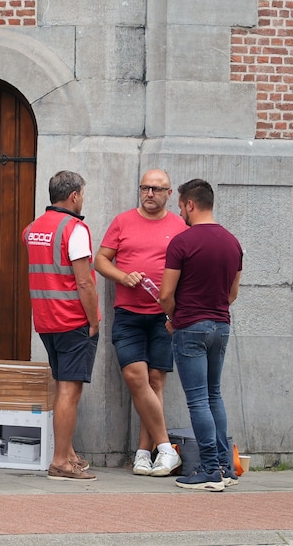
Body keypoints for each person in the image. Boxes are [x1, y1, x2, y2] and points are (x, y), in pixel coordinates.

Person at [94, 169, 186, 476]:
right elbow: (101, 260)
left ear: (169, 195)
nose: (150, 194)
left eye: (157, 189)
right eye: (145, 188)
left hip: (163, 316)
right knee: (136, 377)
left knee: (156, 381)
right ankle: (165, 448)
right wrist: (123, 276)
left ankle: (144, 454)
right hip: (129, 314)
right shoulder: (122, 221)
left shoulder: (179, 226)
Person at [159, 179, 243, 492]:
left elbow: (166, 293)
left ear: (190, 204)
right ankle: (224, 467)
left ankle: (209, 470)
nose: (180, 212)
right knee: (213, 395)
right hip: (221, 326)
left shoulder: (182, 242)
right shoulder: (232, 242)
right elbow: (232, 292)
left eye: (180, 206)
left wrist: (174, 318)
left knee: (197, 400)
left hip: (190, 327)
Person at [23, 170, 100, 481]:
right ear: (74, 196)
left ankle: (67, 453)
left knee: (63, 386)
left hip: (45, 319)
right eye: (82, 194)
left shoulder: (32, 228)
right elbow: (84, 282)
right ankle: (61, 462)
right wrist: (93, 321)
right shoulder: (75, 228)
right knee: (70, 389)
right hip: (72, 318)